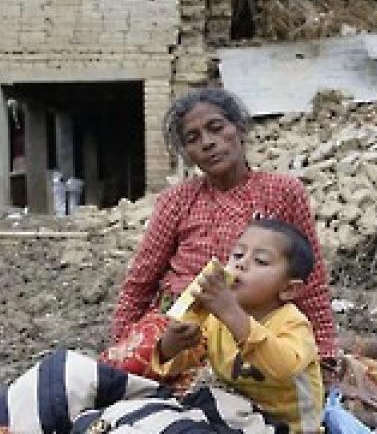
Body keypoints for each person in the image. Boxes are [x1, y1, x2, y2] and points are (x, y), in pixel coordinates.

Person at [105, 87, 337, 381]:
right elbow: (140, 282)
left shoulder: (283, 192)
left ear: (239, 129)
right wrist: (124, 344)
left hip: (252, 324)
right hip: (182, 327)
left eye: (216, 128)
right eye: (193, 138)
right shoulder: (177, 201)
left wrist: (325, 355)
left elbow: (310, 281)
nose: (208, 143)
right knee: (118, 382)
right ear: (187, 154)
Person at [153, 218, 325, 434]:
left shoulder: (293, 323)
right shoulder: (217, 318)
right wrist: (171, 345)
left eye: (260, 261)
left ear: (288, 289)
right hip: (237, 418)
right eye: (237, 255)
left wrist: (233, 315)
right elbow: (185, 361)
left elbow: (283, 368)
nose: (241, 264)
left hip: (289, 428)